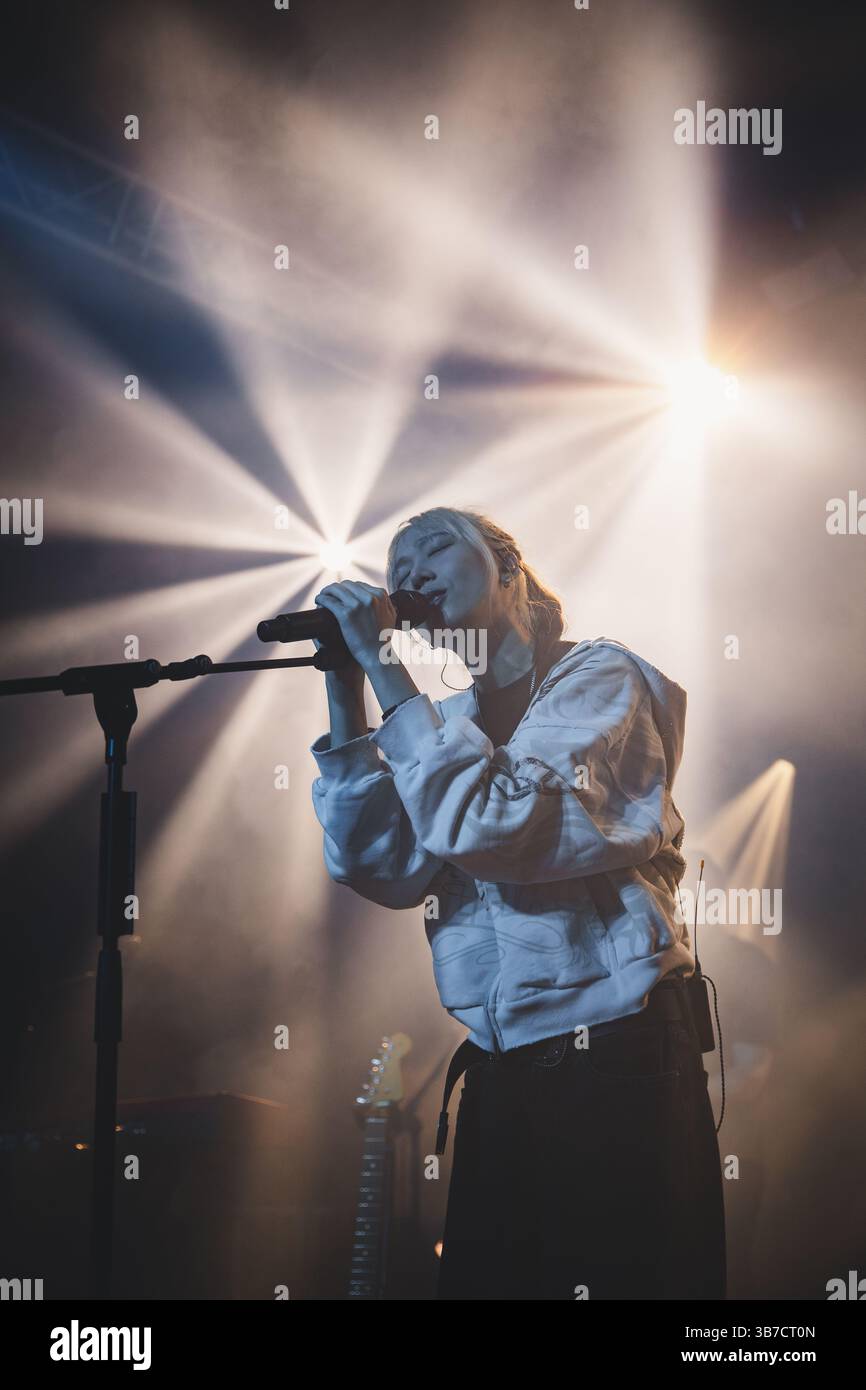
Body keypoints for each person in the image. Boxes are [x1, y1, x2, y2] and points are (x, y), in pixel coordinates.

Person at [308, 505, 726, 1300]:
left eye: (434, 548)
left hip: (615, 1055)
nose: (409, 577)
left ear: (508, 570)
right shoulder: (444, 725)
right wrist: (347, 684)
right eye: (396, 572)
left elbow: (498, 826)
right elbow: (381, 864)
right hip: (501, 1072)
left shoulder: (602, 677)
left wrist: (391, 677)